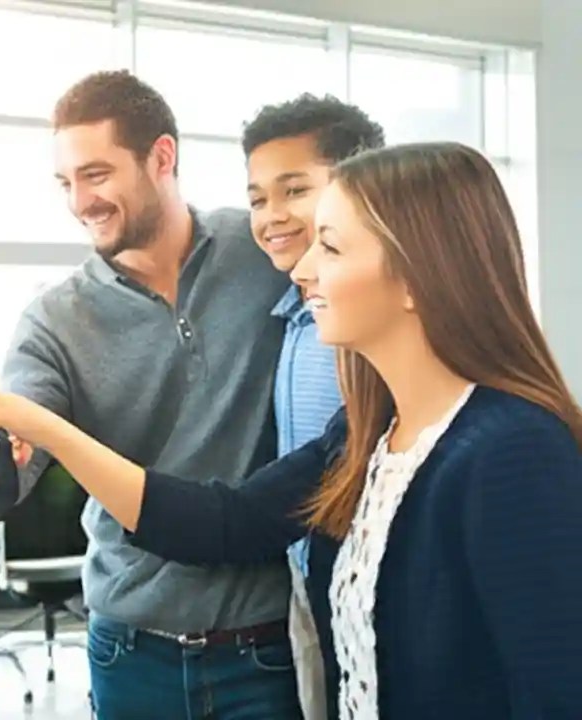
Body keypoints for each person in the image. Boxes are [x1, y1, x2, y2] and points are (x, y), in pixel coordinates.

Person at [0, 142, 582, 718]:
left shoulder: (513, 451)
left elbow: (556, 691)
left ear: (416, 277)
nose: (301, 270)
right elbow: (223, 521)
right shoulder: (366, 436)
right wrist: (45, 429)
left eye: (329, 247)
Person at [0, 70, 301, 719]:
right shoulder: (54, 321)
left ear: (161, 157)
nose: (79, 202)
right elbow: (16, 454)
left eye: (95, 175)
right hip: (131, 655)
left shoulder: (262, 249)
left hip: (265, 651)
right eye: (66, 183)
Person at [242, 94, 384, 719]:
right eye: (256, 198)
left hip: (371, 581)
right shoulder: (294, 317)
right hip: (307, 578)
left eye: (294, 190)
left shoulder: (370, 327)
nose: (272, 215)